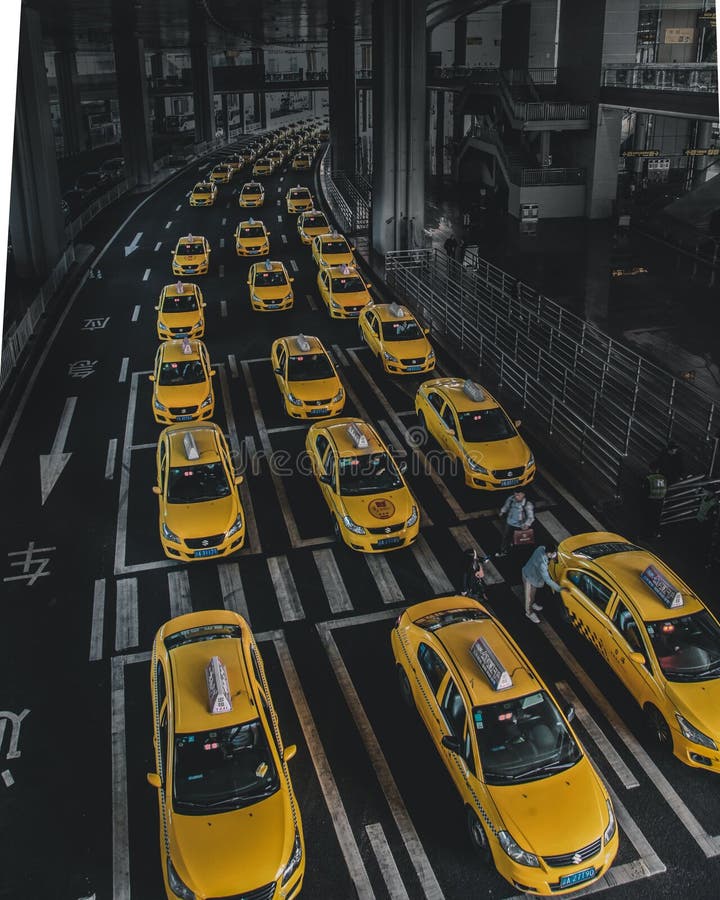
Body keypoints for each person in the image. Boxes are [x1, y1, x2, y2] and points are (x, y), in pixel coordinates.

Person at [521, 544, 567, 624]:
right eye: (553, 553)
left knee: (532, 595)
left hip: (531, 572)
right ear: (548, 553)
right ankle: (529, 612)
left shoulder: (541, 548)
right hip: (529, 578)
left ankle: (532, 603)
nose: (554, 555)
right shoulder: (542, 564)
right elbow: (547, 580)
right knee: (529, 597)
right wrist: (560, 588)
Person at [495, 490, 535, 557]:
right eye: (515, 494)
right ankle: (503, 551)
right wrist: (502, 511)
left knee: (519, 540)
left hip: (520, 525)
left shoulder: (527, 504)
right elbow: (506, 506)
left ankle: (516, 551)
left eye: (518, 495)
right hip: (509, 522)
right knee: (505, 537)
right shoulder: (511, 499)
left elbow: (531, 517)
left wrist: (527, 524)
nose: (516, 497)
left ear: (523, 494)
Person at [641, 466, 667, 538]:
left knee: (648, 518)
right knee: (657, 518)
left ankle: (646, 535)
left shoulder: (649, 478)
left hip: (651, 500)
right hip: (660, 500)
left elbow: (645, 491)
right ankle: (656, 533)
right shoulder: (663, 478)